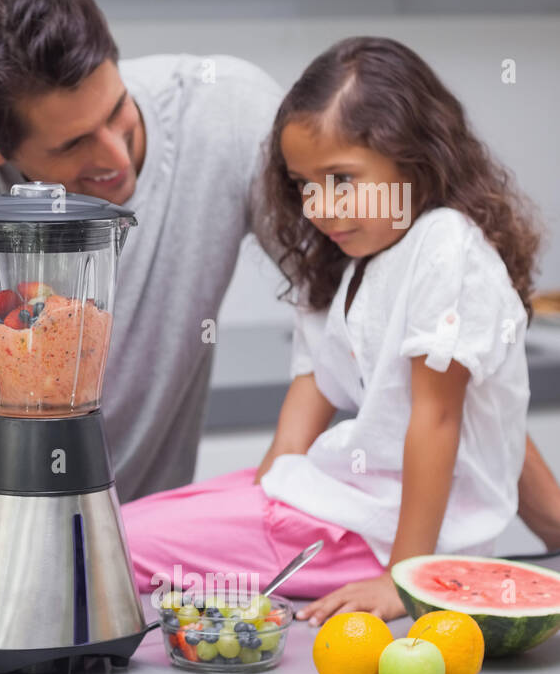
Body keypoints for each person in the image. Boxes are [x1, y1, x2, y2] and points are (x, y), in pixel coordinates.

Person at [0, 0, 560, 661]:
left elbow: (445, 377)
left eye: (119, 112)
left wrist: (539, 531)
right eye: (72, 147)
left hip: (156, 562)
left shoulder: (227, 116)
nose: (114, 157)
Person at [121, 36, 549, 625]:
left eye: (341, 178)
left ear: (417, 160)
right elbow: (313, 388)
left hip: (376, 537)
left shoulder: (444, 245)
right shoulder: (355, 262)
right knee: (109, 528)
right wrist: (260, 500)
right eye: (303, 184)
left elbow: (438, 418)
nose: (318, 207)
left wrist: (405, 579)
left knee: (108, 545)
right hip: (337, 509)